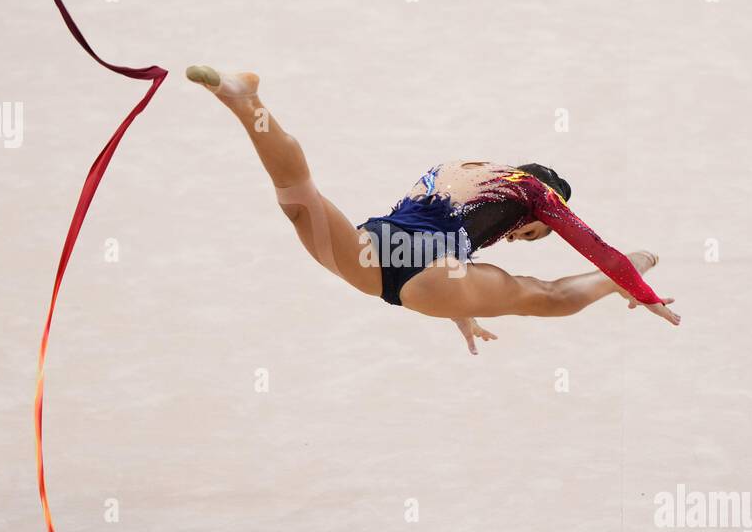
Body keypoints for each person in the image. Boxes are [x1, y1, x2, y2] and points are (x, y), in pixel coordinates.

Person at [187, 65, 680, 354]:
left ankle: (245, 102)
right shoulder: (534, 191)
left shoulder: (463, 164)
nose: (516, 238)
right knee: (545, 295)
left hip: (373, 249)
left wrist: (459, 306)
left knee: (298, 193)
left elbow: (431, 232)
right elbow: (593, 245)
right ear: (542, 207)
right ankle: (632, 270)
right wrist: (642, 289)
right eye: (530, 235)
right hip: (432, 276)